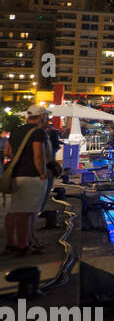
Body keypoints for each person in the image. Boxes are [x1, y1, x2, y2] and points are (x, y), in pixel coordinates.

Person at [3, 105, 49, 255]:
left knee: (14, 211)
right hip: (31, 176)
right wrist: (42, 173)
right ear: (41, 117)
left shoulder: (16, 130)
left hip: (16, 175)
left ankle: (11, 243)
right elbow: (38, 155)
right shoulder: (38, 132)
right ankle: (23, 245)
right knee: (27, 213)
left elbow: (8, 151)